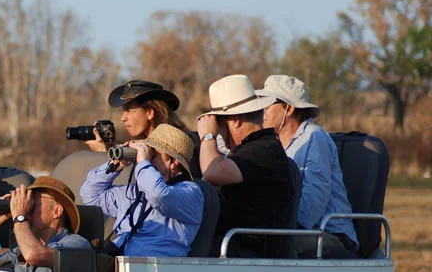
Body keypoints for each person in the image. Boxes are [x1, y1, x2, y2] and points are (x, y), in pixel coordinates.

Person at [258, 74, 358, 258]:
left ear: (288, 109)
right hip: (297, 231)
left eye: (267, 104)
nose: (261, 110)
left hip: (329, 234)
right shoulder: (273, 143)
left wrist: (282, 228)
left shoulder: (314, 137)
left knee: (272, 247)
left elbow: (314, 198)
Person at [196, 74, 293, 257]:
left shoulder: (264, 150)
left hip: (250, 255)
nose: (218, 132)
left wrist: (207, 136)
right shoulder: (253, 149)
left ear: (236, 120)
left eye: (219, 123)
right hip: (236, 249)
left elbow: (212, 172)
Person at [79, 123, 204, 257]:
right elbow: (90, 195)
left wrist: (144, 162)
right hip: (121, 262)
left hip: (158, 266)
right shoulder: (134, 192)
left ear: (173, 163)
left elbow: (158, 195)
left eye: (154, 154)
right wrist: (116, 165)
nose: (148, 157)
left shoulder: (190, 192)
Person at [0, 176, 90, 272]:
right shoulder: (20, 251)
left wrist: (20, 216)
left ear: (57, 211)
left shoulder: (77, 244)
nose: (26, 208)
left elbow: (33, 255)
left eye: (33, 203)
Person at [83, 79, 201, 178]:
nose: (123, 118)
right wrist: (111, 153)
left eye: (129, 110)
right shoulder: (142, 146)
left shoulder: (184, 149)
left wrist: (102, 156)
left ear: (149, 113)